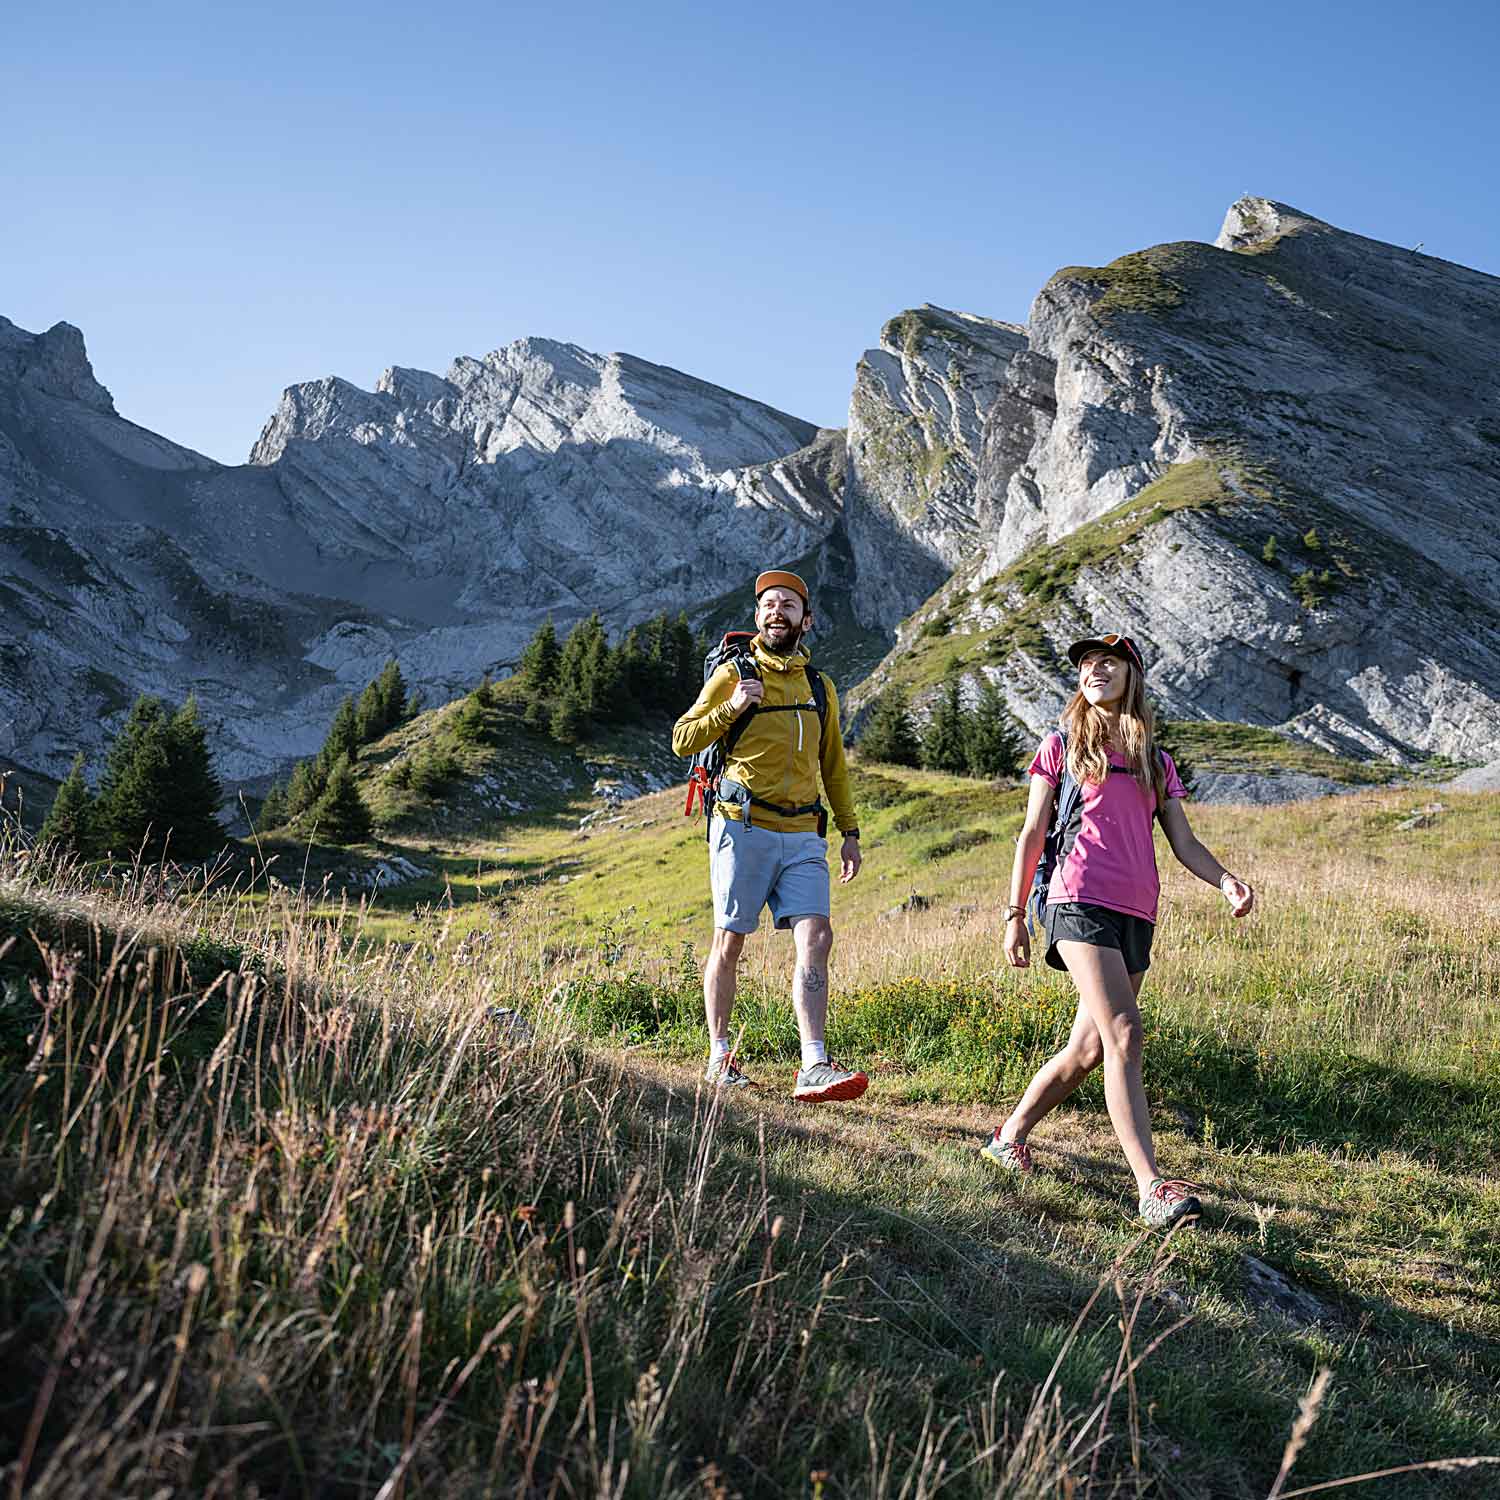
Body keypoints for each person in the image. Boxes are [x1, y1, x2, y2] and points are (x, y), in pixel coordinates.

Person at [982, 633, 1254, 1227]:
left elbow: (1182, 842)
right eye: (1086, 665)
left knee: (1088, 1050)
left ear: (1132, 676)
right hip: (1074, 898)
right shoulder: (1060, 746)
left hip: (1136, 912)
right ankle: (1150, 1188)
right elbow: (1032, 833)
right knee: (1126, 1034)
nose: (1095, 671)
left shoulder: (1156, 760)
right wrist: (1013, 916)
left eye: (1108, 663)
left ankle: (1007, 1137)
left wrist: (1226, 880)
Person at [671, 569, 867, 1101]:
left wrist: (849, 831)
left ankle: (814, 1063)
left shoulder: (820, 687)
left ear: (807, 620)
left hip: (805, 831)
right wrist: (734, 706)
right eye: (768, 605)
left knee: (817, 936)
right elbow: (683, 739)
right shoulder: (734, 673)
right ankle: (719, 1056)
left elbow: (835, 766)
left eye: (788, 604)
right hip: (743, 825)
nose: (776, 611)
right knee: (729, 941)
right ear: (757, 618)